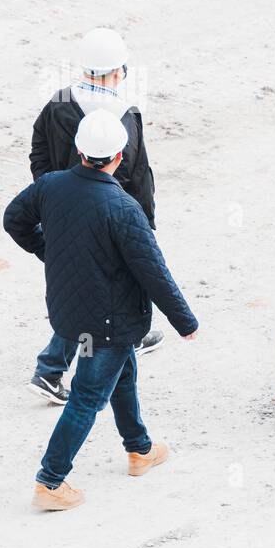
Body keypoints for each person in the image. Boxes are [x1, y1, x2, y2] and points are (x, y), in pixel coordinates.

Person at [4, 110, 199, 511]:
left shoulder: (51, 186)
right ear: (119, 155)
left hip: (73, 312)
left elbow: (14, 220)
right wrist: (185, 320)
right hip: (108, 322)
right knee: (88, 397)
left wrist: (48, 251)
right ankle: (50, 481)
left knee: (123, 373)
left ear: (79, 150)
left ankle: (139, 449)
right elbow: (153, 272)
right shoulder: (123, 208)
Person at [27, 27, 163, 406]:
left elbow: (38, 154)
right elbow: (139, 178)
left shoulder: (56, 103)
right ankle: (52, 367)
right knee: (105, 289)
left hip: (63, 216)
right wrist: (145, 225)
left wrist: (51, 194)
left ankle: (54, 368)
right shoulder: (126, 115)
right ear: (119, 71)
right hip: (109, 220)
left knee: (80, 291)